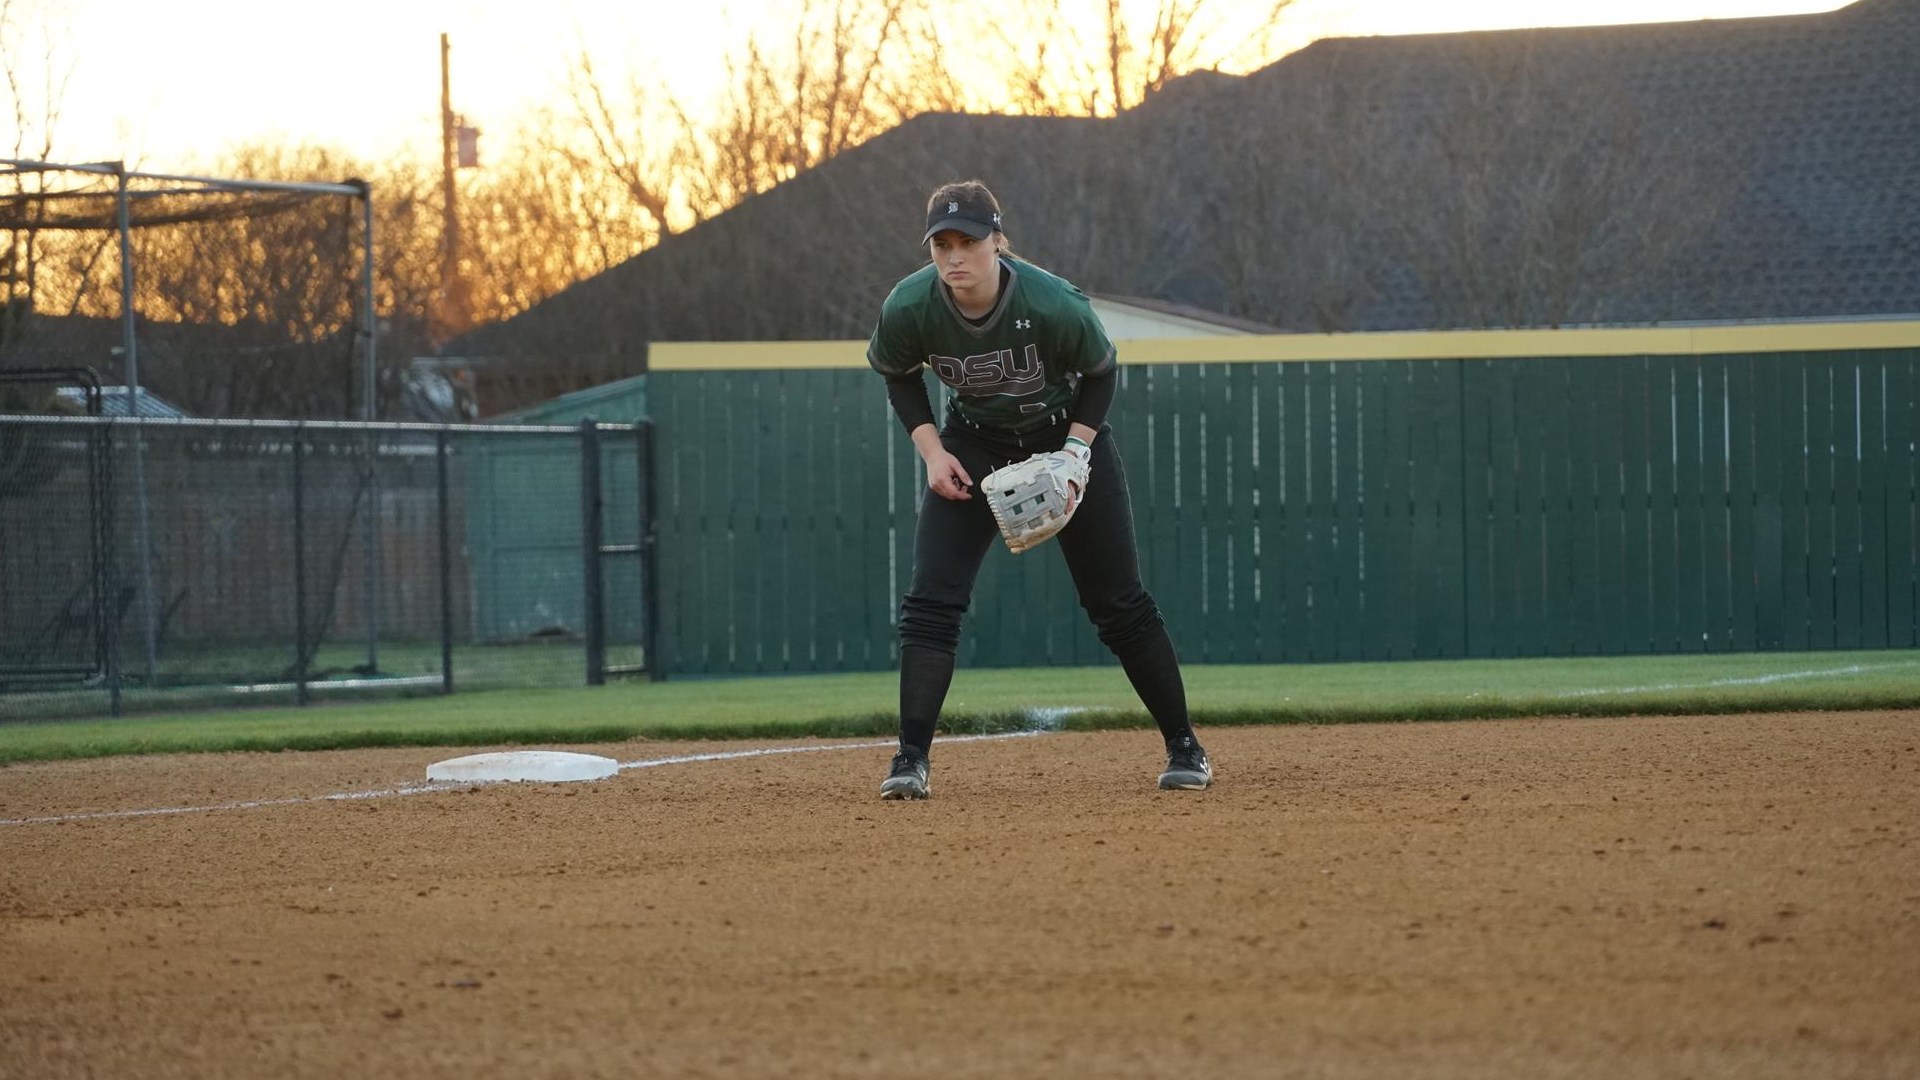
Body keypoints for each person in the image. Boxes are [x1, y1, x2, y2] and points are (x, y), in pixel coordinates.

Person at [864, 179, 1211, 800]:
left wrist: (1076, 454)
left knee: (1119, 605)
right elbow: (898, 374)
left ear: (998, 241)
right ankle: (910, 759)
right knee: (931, 603)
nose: (954, 257)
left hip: (1063, 438)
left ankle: (1185, 745)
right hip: (973, 443)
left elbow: (1101, 373)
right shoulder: (911, 304)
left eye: (968, 241)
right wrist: (934, 453)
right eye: (941, 244)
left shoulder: (1051, 302)